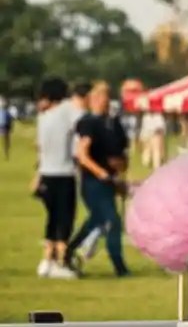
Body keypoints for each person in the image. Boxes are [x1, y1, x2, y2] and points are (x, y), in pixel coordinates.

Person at [68, 82, 130, 277]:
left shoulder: (112, 123)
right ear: (93, 99)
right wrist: (100, 172)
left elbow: (120, 153)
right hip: (93, 182)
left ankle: (68, 251)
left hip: (110, 181)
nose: (105, 101)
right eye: (101, 97)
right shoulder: (88, 123)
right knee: (113, 221)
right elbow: (82, 154)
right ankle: (119, 266)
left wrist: (119, 175)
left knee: (96, 219)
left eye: (107, 97)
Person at [33, 78, 80, 279]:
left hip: (46, 173)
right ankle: (60, 262)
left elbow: (39, 148)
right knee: (64, 219)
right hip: (64, 172)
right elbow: (82, 122)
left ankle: (46, 260)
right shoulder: (67, 110)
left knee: (51, 218)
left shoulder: (42, 118)